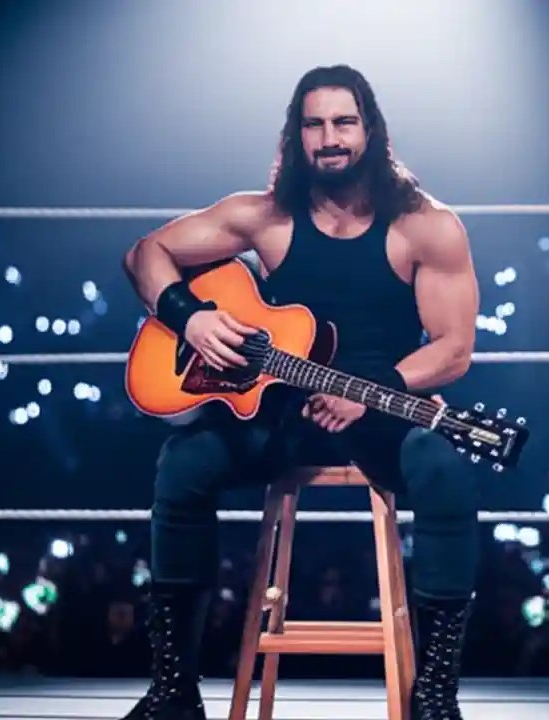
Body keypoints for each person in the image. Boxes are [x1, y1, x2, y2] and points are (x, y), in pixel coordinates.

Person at [120, 64, 481, 720]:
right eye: (314, 124)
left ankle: (435, 695)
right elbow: (146, 253)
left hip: (377, 412)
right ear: (296, 136)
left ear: (371, 130)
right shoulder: (266, 218)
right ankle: (173, 691)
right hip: (279, 410)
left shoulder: (425, 226)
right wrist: (189, 317)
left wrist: (374, 390)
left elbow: (454, 348)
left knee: (444, 468)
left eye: (343, 122)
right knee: (183, 463)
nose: (330, 137)